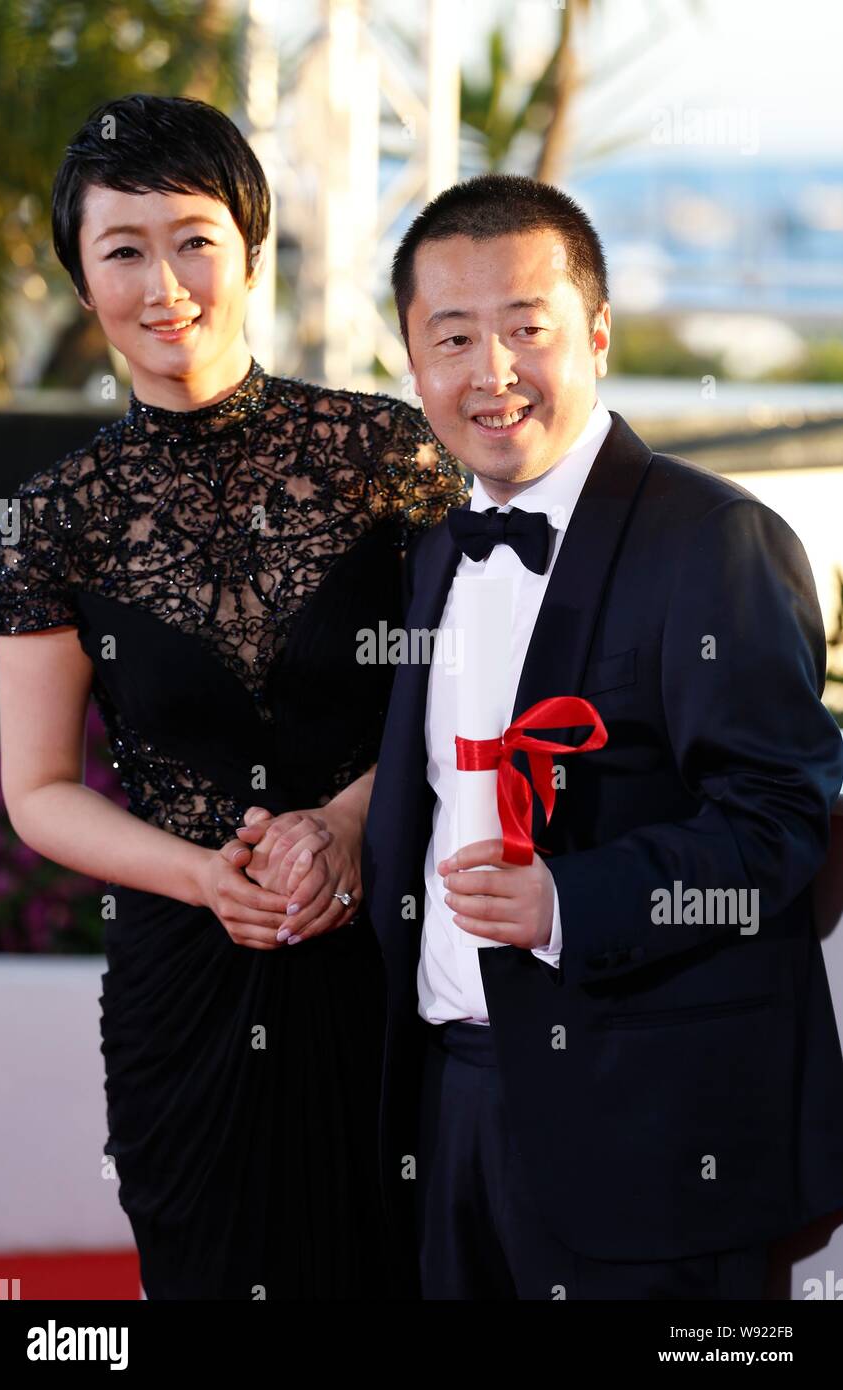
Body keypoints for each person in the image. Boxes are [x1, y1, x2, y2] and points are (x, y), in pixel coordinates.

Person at [0, 93, 466, 1300]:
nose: (167, 284)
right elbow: (39, 790)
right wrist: (204, 876)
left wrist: (350, 821)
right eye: (123, 250)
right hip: (183, 981)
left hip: (391, 953)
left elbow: (469, 684)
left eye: (195, 238)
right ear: (82, 281)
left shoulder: (384, 453)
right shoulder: (54, 521)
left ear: (251, 247)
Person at [349, 173, 843, 1299]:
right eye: (452, 337)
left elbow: (779, 818)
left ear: (597, 334)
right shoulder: (435, 548)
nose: (491, 372)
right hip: (449, 1097)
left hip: (651, 1123)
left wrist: (571, 901)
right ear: (413, 360)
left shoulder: (715, 537)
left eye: (527, 329)